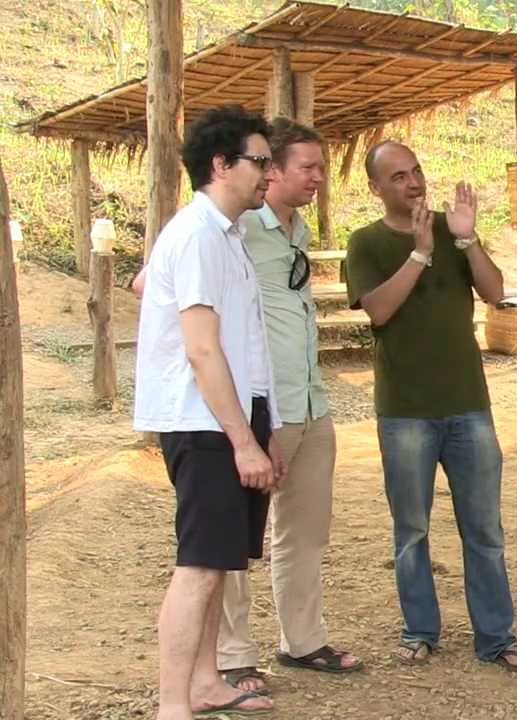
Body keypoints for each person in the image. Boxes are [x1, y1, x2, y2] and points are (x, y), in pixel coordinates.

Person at [344, 140, 517, 674]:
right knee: (412, 530)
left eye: (417, 171)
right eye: (399, 176)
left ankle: (497, 638)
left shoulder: (456, 236)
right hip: (405, 410)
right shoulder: (364, 243)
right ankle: (420, 631)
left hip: (468, 407)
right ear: (376, 188)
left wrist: (467, 238)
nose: (413, 183)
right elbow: (379, 311)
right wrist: (420, 253)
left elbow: (498, 292)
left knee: (485, 530)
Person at [133, 105, 280, 720]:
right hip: (204, 423)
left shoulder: (226, 235)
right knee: (198, 565)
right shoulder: (196, 234)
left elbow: (243, 343)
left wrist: (260, 428)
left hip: (231, 416)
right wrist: (242, 440)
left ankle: (205, 682)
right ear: (221, 165)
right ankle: (174, 703)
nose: (268, 174)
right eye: (259, 162)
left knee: (219, 560)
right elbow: (201, 347)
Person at [215, 117, 363, 692]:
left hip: (309, 404)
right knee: (235, 535)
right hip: (255, 409)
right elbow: (159, 284)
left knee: (304, 532)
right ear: (270, 170)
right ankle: (233, 654)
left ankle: (302, 641)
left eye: (322, 167)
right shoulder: (235, 228)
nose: (319, 178)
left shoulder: (295, 231)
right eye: (309, 167)